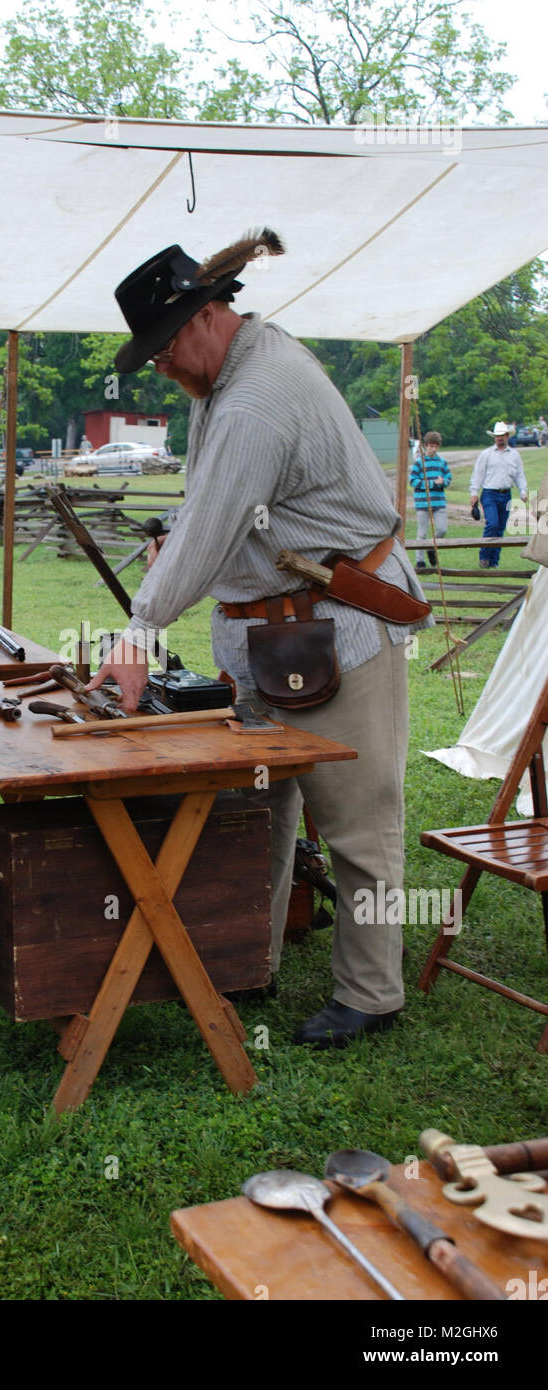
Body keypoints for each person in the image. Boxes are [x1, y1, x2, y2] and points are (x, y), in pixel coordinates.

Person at [88, 232, 431, 1048]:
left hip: (342, 632)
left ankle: (372, 993)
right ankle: (250, 962)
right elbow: (211, 506)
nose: (161, 370)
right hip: (266, 639)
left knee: (358, 823)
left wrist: (138, 632)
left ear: (208, 318)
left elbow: (209, 530)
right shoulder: (226, 379)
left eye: (165, 351)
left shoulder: (255, 398)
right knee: (254, 815)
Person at [469, 421, 528, 569]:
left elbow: (519, 475)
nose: (499, 438)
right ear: (494, 437)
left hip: (506, 493)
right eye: (497, 436)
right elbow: (478, 474)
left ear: (507, 436)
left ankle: (494, 560)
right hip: (490, 493)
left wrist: (523, 490)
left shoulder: (514, 455)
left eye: (502, 436)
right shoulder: (486, 454)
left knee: (500, 527)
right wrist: (474, 492)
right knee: (493, 523)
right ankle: (484, 556)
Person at [410, 431, 452, 569]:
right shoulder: (419, 462)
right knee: (422, 533)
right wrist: (432, 483)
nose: (433, 449)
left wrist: (443, 482)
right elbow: (413, 481)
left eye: (435, 446)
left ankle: (431, 548)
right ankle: (419, 560)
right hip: (423, 502)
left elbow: (448, 478)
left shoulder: (442, 462)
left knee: (442, 529)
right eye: (430, 446)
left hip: (439, 501)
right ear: (426, 446)